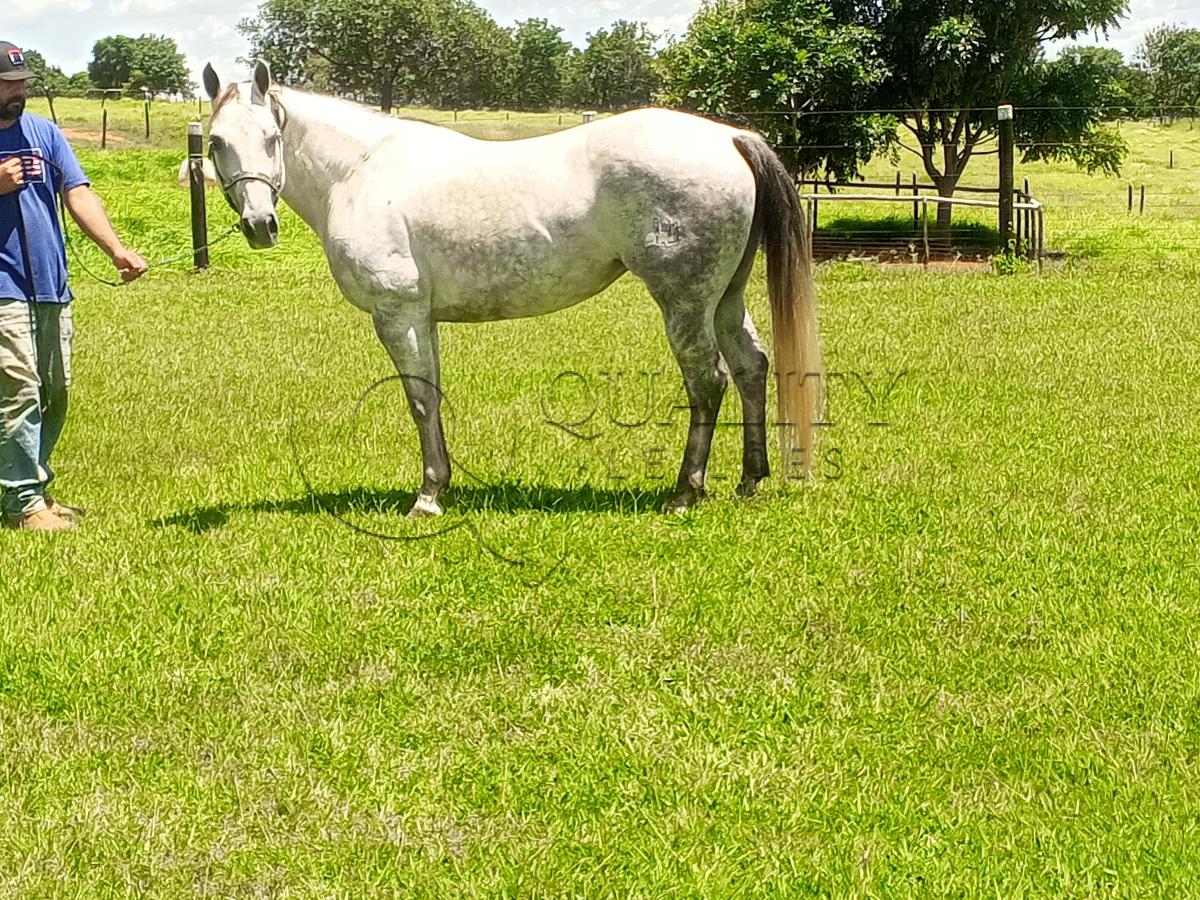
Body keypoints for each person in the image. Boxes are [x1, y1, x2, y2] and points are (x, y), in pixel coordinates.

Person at [0, 40, 147, 532]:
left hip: (50, 284)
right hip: (3, 288)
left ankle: (33, 486)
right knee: (19, 389)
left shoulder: (44, 133)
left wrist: (117, 249)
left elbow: (78, 193)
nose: (18, 92)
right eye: (8, 84)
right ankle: (23, 504)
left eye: (22, 83)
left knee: (54, 391)